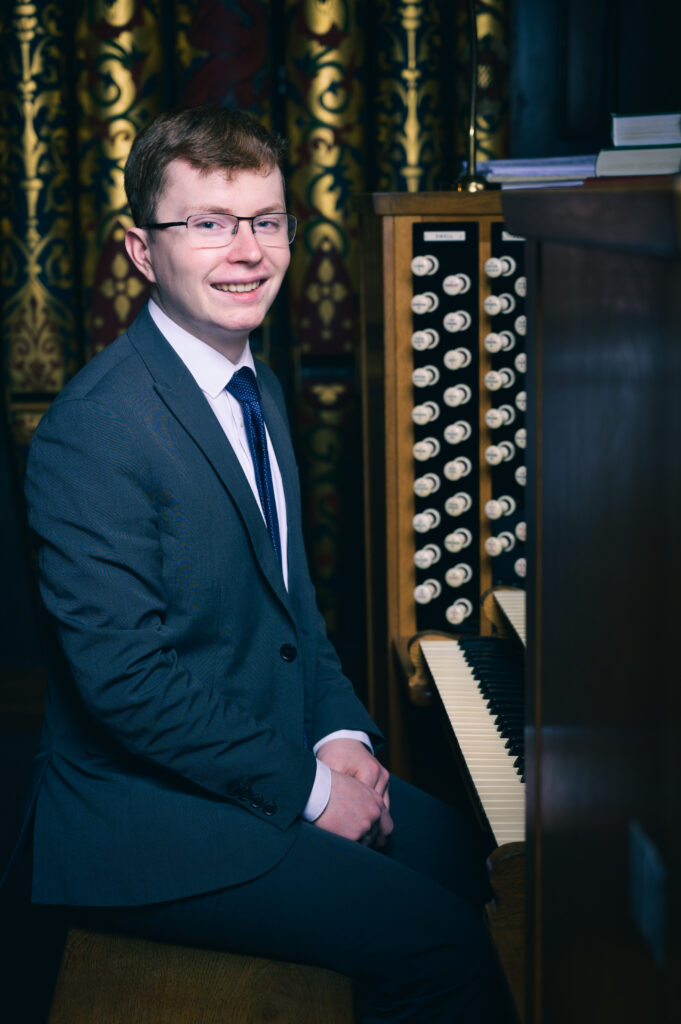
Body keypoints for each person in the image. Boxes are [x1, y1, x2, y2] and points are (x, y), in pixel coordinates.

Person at [19, 105, 510, 1022]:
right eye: (206, 223)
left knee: (468, 857)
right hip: (145, 818)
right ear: (140, 250)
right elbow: (125, 683)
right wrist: (313, 789)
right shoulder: (93, 431)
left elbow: (293, 611)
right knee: (439, 947)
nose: (246, 250)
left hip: (264, 754)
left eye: (266, 220)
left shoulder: (255, 384)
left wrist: (343, 738)